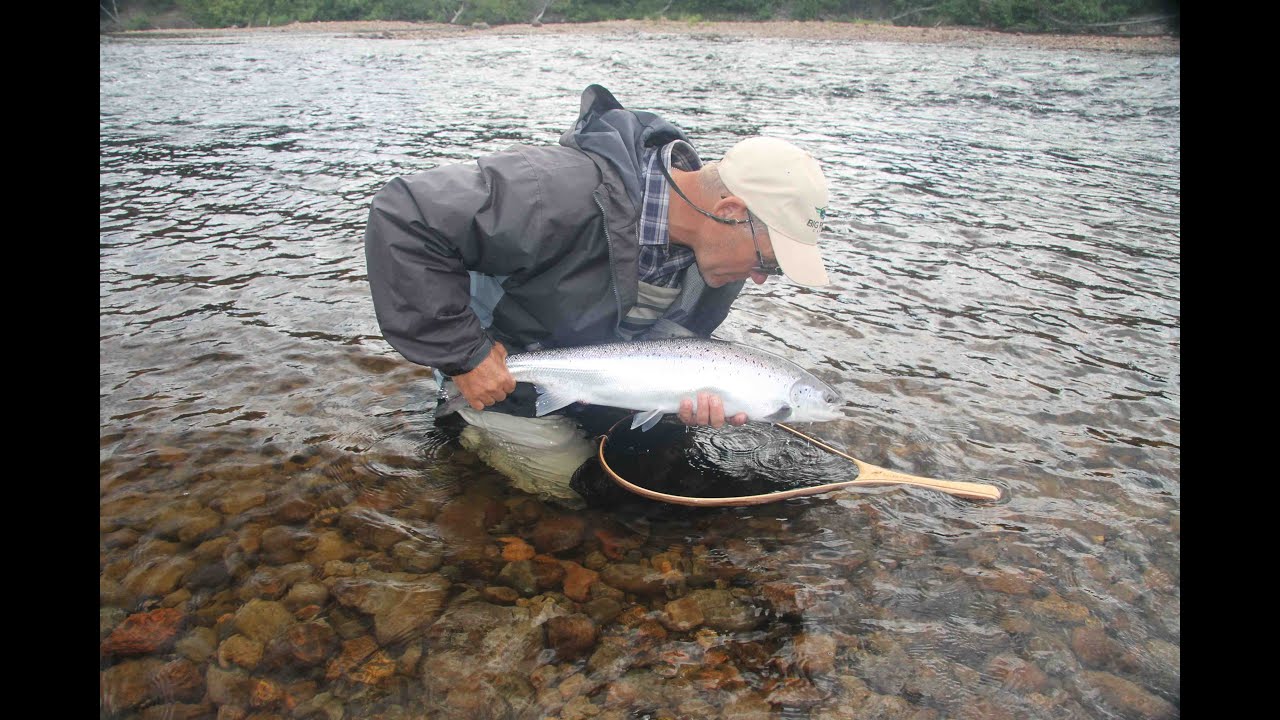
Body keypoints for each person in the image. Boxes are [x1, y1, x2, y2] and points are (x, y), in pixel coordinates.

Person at [364, 84, 834, 506]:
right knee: (579, 496)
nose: (761, 279)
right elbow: (404, 216)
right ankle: (463, 431)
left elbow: (671, 351)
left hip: (602, 382)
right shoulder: (552, 192)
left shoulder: (720, 267)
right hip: (502, 376)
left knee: (665, 473)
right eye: (769, 260)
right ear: (730, 211)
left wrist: (693, 404)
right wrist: (464, 354)